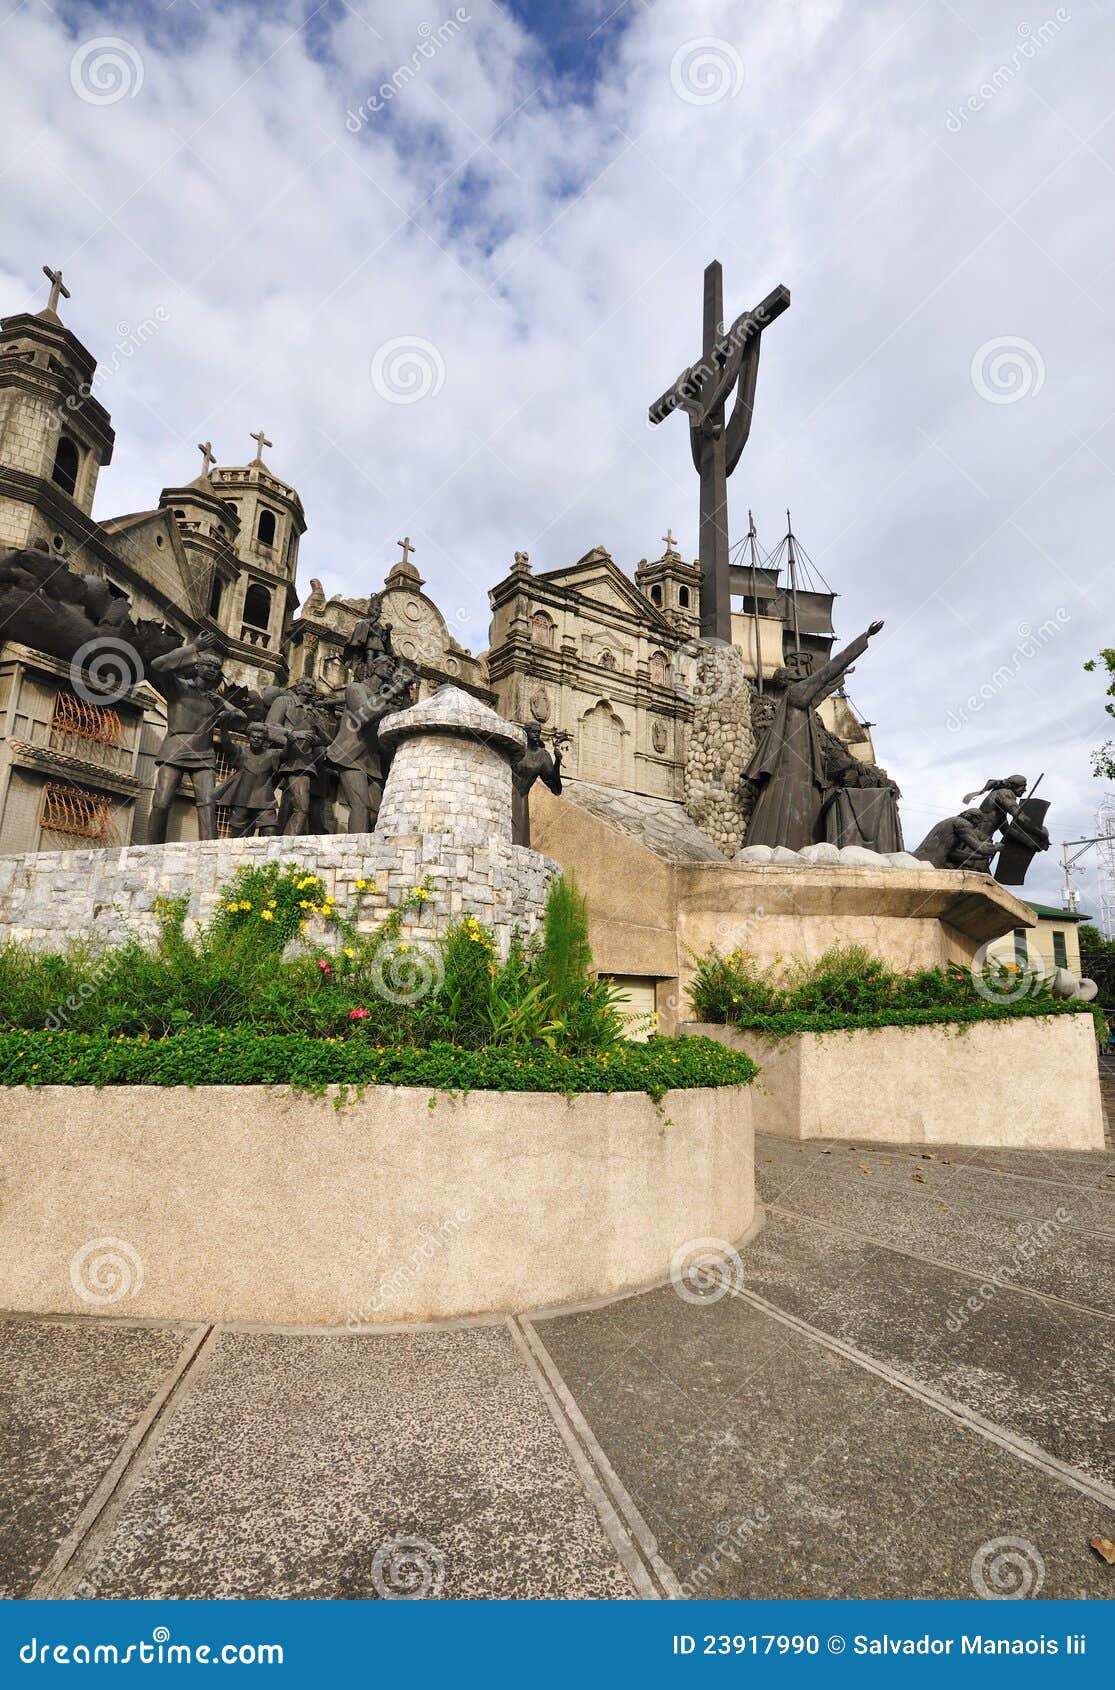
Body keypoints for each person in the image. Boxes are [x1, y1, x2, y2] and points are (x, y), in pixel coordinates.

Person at [741, 622, 885, 851]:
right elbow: (827, 672)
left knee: (795, 798)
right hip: (795, 762)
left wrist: (841, 676)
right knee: (795, 798)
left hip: (797, 762)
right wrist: (864, 636)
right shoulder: (798, 694)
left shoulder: (797, 702)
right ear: (790, 681)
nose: (801, 674)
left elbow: (822, 690)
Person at [148, 634, 244, 843]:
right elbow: (158, 665)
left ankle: (209, 850)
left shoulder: (214, 698)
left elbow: (241, 717)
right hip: (175, 749)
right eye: (207, 664)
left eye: (215, 667)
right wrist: (193, 647)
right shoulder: (178, 687)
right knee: (162, 801)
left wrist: (226, 712)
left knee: (208, 804)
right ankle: (151, 848)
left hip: (204, 755)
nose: (211, 669)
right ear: (197, 665)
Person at [215, 722, 285, 837]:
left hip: (264, 799)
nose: (257, 739)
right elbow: (227, 744)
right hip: (241, 799)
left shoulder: (272, 754)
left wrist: (289, 737)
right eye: (254, 737)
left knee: (270, 831)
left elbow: (286, 754)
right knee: (239, 837)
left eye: (260, 738)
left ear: (264, 740)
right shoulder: (240, 752)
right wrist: (223, 726)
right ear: (249, 737)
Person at [511, 723, 564, 846]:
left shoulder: (543, 756)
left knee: (520, 840)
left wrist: (557, 762)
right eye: (533, 731)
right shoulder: (516, 747)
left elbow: (555, 787)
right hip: (509, 790)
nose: (536, 734)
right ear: (526, 733)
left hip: (523, 795)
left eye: (538, 732)